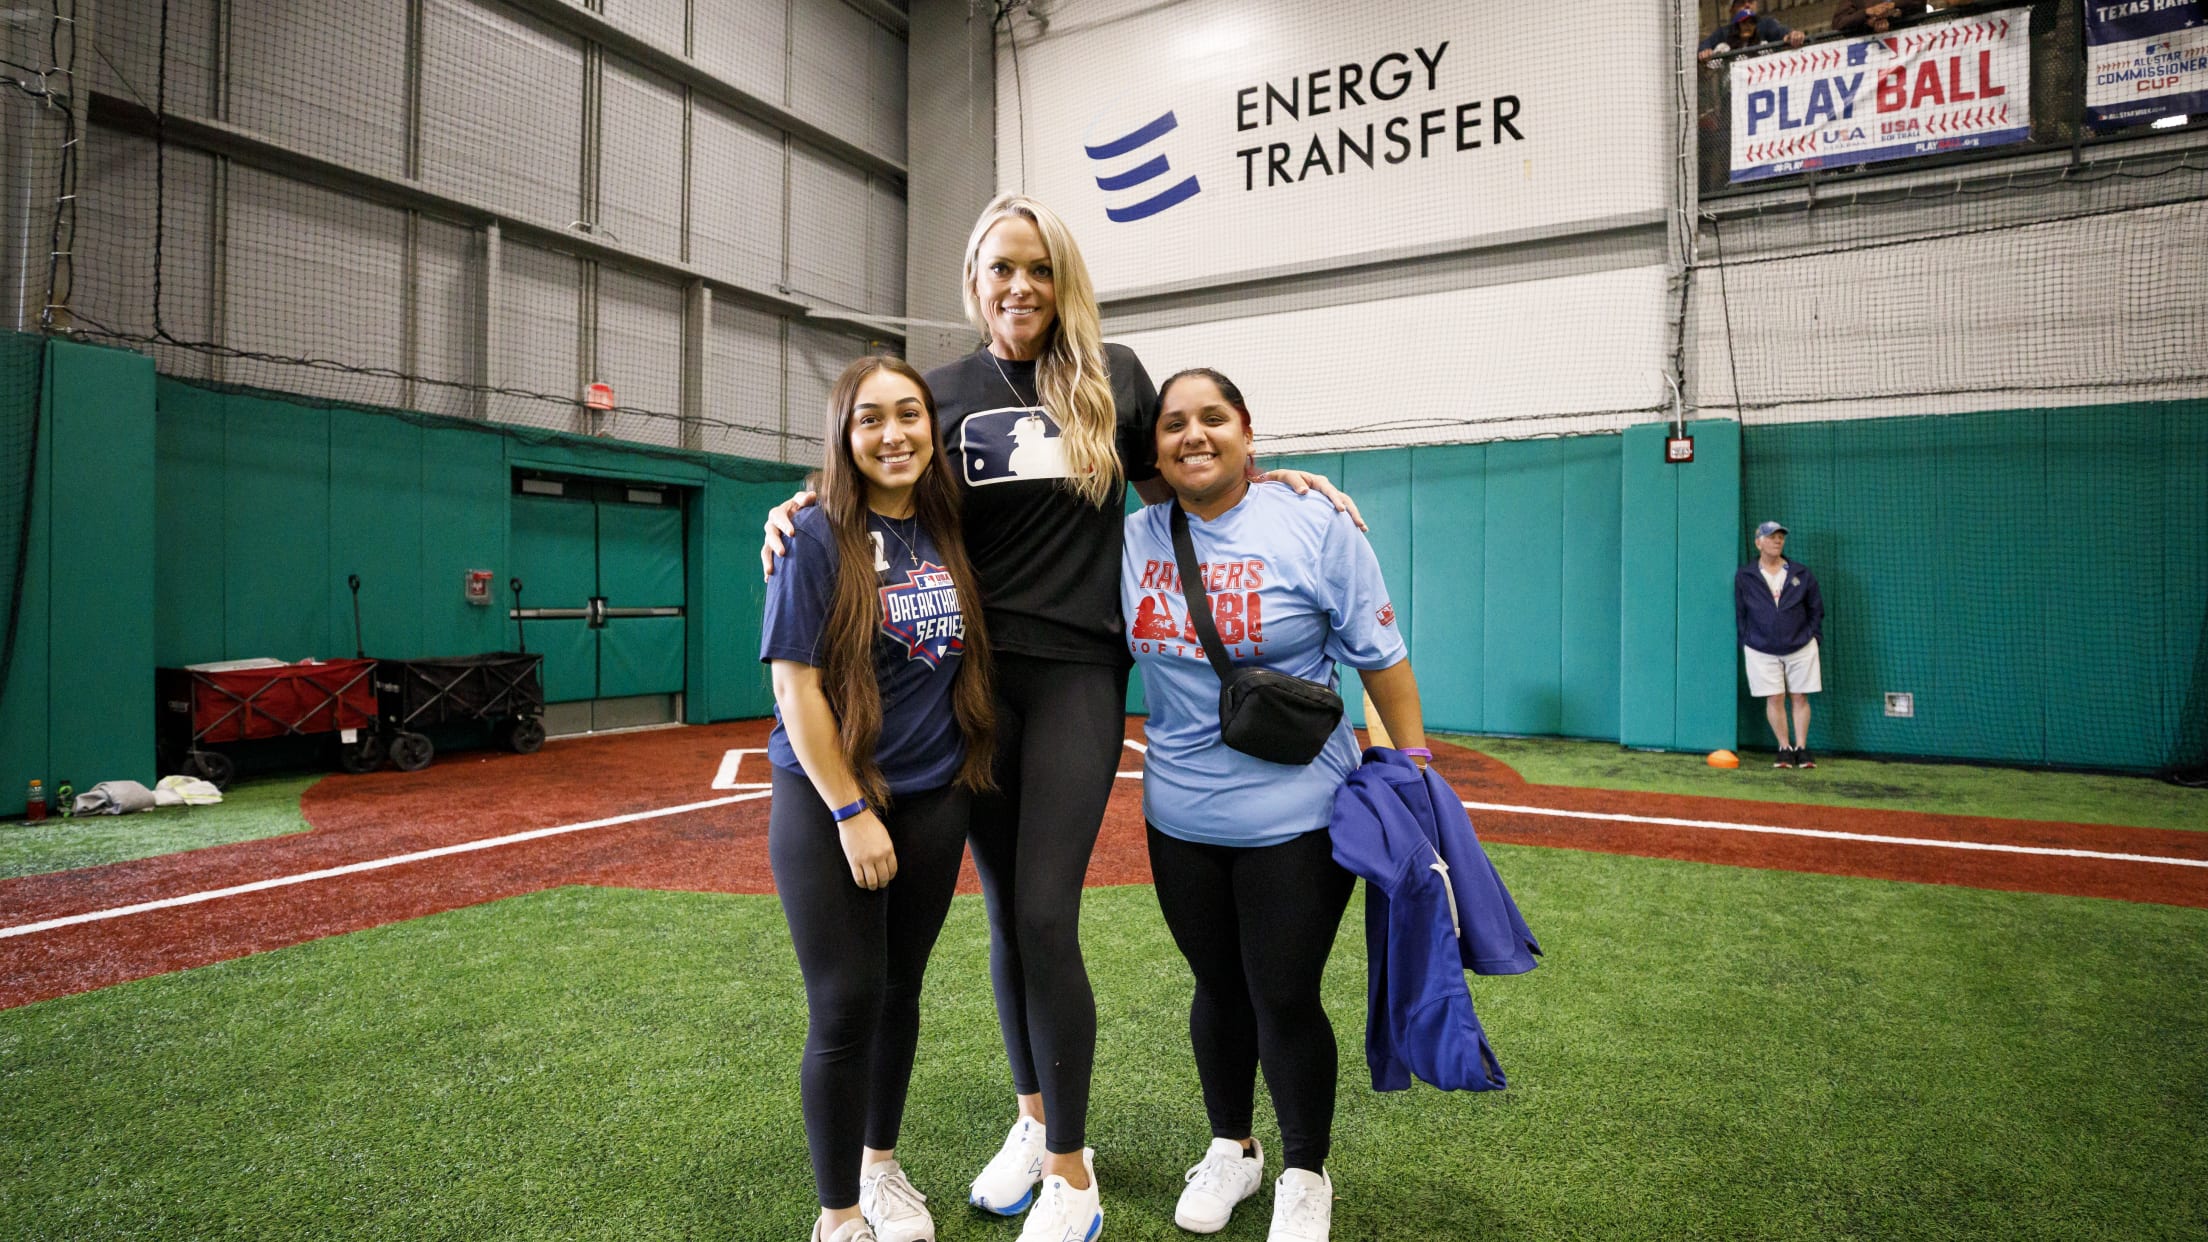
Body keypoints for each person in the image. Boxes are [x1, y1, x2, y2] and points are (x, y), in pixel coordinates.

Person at [760, 194, 1361, 1242]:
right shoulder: (939, 392)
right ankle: (1034, 1123)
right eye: (1000, 268)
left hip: (1080, 677)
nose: (1019, 287)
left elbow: (1185, 466)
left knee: (1045, 913)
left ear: (1062, 274)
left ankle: (1072, 1177)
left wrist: (1281, 482)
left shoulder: (1112, 376)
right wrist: (798, 505)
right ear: (974, 279)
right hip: (975, 687)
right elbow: (884, 478)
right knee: (1003, 921)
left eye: (1037, 267)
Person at [1122, 368, 1427, 1242]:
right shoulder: (1134, 540)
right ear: (1155, 450)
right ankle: (1233, 1149)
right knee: (1218, 987)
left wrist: (1412, 767)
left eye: (1213, 418)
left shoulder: (1316, 521)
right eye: (1174, 423)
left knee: (1283, 991)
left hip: (1299, 812)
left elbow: (1382, 655)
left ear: (1248, 432)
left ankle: (1304, 1169)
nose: (1193, 435)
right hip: (1178, 813)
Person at [762, 355, 997, 1242]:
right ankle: (839, 1216)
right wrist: (851, 810)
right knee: (847, 1001)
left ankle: (881, 1165)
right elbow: (797, 688)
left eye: (909, 414)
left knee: (901, 990)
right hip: (833, 800)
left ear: (932, 428)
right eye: (870, 419)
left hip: (937, 794)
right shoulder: (814, 535)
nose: (893, 433)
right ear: (844, 433)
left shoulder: (948, 524)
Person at [1735, 520, 1824, 769]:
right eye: (1771, 536)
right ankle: (1784, 748)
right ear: (1758, 542)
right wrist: (1747, 640)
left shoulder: (1801, 573)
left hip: (1801, 646)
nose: (1777, 541)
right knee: (1774, 697)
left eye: (1780, 537)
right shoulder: (1745, 575)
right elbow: (1741, 612)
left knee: (1799, 696)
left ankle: (1802, 749)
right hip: (1760, 648)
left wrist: (1813, 636)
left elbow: (1816, 609)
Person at [1698, 2, 1808, 62]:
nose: (1747, 5)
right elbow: (1704, 46)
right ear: (1732, 10)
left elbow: (1781, 32)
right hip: (1733, 92)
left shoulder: (1766, 24)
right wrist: (1705, 52)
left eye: (1750, 1)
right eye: (1741, 2)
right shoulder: (1724, 32)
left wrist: (1792, 35)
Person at [1832, 0, 1935, 35]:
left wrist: (1893, 6)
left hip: (1910, 43)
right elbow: (1839, 22)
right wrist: (1867, 15)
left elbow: (1919, 3)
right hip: (1872, 52)